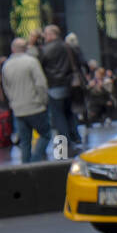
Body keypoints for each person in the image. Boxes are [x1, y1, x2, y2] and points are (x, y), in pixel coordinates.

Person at [2, 37, 52, 163]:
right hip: (35, 106)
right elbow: (41, 83)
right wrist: (43, 100)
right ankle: (35, 161)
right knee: (45, 134)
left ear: (12, 49)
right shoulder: (31, 62)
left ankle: (25, 167)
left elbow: (5, 87)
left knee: (25, 141)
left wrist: (12, 101)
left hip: (18, 108)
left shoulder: (6, 65)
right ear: (26, 48)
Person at [39, 25, 80, 153]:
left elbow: (40, 64)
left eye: (45, 34)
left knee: (58, 116)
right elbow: (79, 61)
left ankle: (63, 145)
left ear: (51, 35)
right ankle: (74, 138)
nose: (44, 37)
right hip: (69, 84)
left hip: (54, 85)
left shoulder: (45, 50)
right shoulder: (67, 46)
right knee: (69, 113)